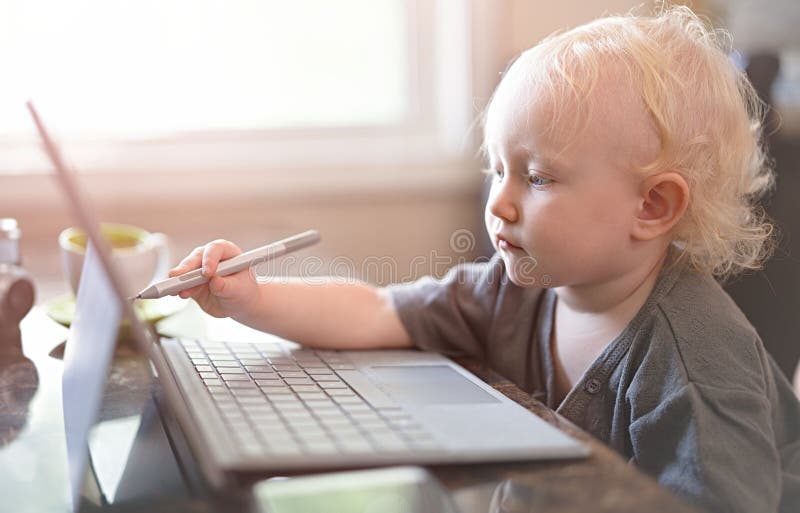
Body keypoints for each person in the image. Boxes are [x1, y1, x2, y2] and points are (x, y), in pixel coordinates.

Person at [168, 5, 800, 513]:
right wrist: (251, 298)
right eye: (497, 169)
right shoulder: (511, 290)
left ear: (652, 206)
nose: (499, 202)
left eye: (540, 177)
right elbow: (379, 310)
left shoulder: (694, 360)